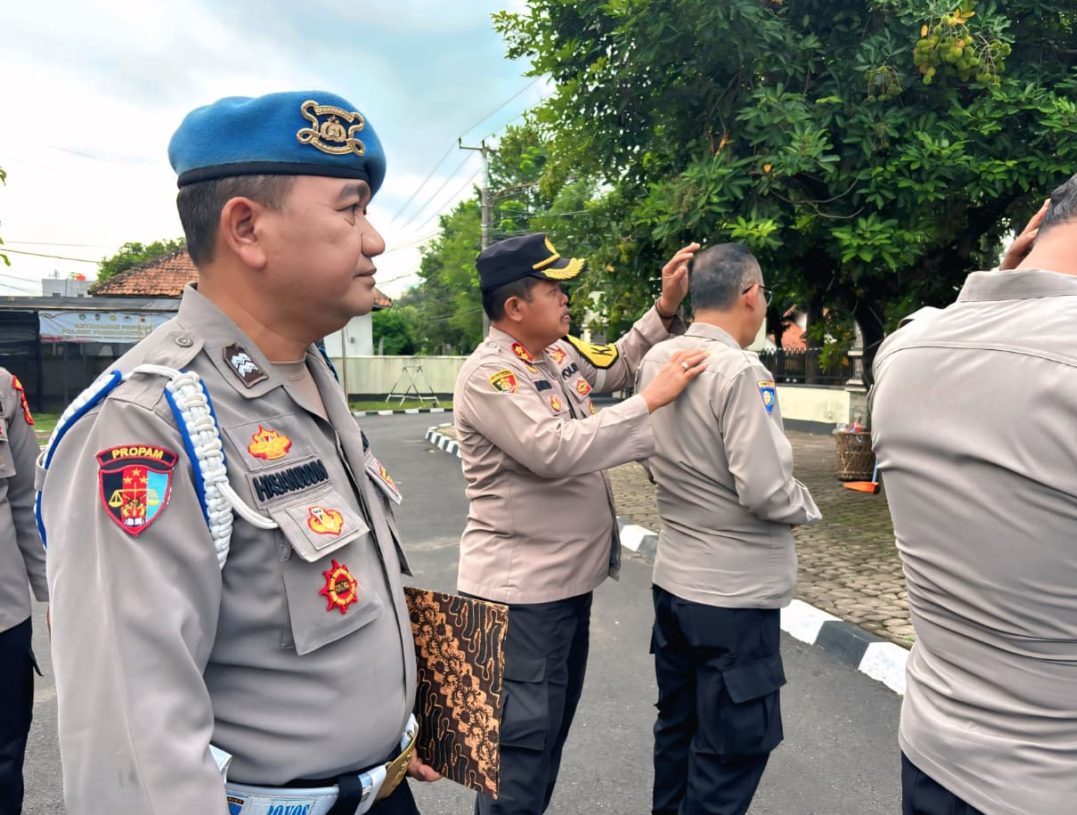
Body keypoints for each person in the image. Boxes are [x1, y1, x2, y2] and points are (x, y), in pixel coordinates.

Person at [39, 91, 438, 815]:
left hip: (385, 791)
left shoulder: (311, 376)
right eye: (351, 211)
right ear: (247, 228)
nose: (374, 240)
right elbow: (135, 748)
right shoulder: (149, 421)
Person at [870, 148, 1077, 815]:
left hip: (936, 761)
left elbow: (981, 337)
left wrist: (1002, 285)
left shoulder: (904, 353)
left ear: (1041, 220)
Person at [453, 232, 709, 815]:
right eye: (555, 289)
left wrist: (666, 306)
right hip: (522, 599)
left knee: (545, 743)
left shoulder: (555, 354)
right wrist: (651, 403)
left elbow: (617, 364)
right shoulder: (492, 376)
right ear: (515, 307)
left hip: (563, 588)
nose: (567, 299)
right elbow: (556, 450)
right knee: (517, 755)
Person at [635, 243, 821, 815]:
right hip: (733, 600)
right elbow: (766, 490)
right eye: (764, 295)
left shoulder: (656, 360)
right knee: (729, 754)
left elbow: (647, 451)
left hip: (677, 584)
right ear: (749, 294)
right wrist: (805, 507)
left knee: (679, 737)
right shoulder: (742, 370)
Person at [0, 368, 44, 815]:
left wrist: (55, 595)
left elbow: (28, 500)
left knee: (5, 756)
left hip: (3, 617)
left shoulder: (2, 388)